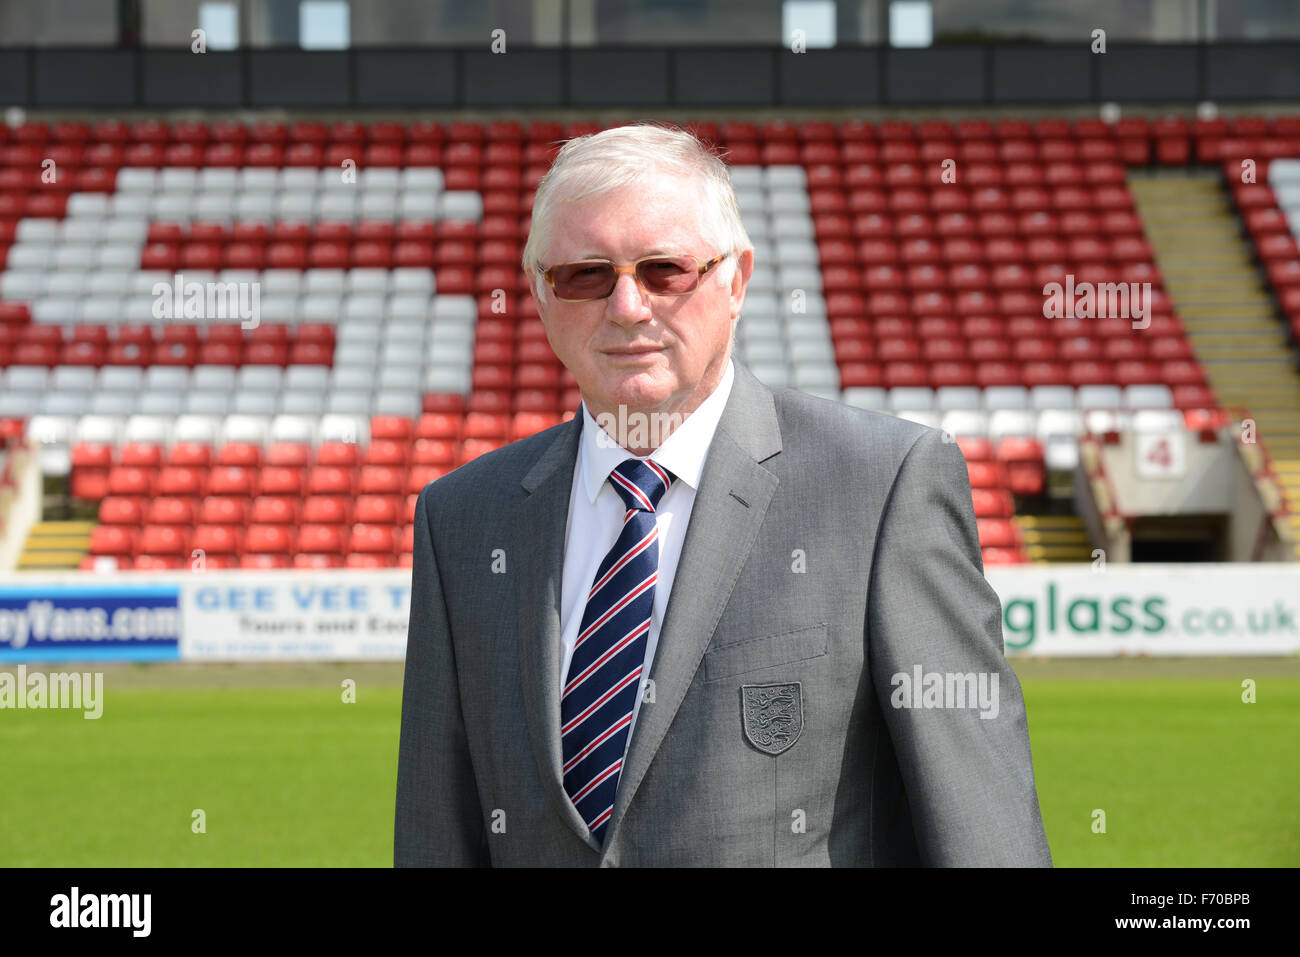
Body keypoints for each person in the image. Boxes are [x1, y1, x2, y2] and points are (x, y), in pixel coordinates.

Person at [394, 122, 1052, 866]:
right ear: (541, 297)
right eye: (585, 275)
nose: (628, 305)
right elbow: (435, 832)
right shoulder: (462, 520)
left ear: (735, 279)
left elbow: (982, 830)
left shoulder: (882, 486)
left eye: (664, 270)